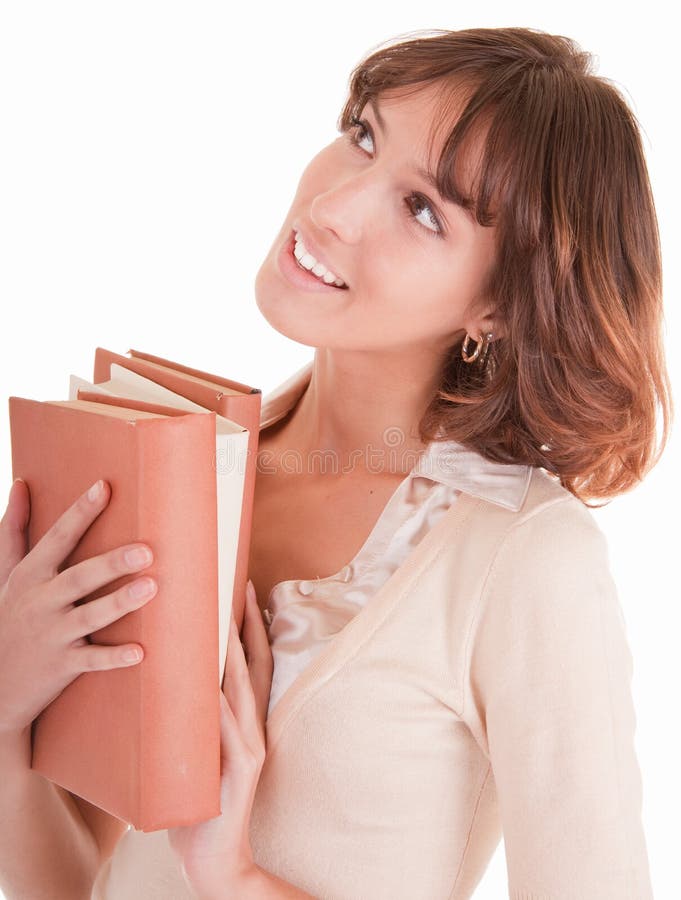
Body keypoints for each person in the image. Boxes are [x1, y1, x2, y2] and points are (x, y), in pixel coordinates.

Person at [0, 25, 671, 900]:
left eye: (423, 208)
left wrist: (232, 877)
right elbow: (73, 879)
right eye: (361, 133)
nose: (334, 207)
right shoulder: (184, 469)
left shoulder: (519, 558)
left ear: (500, 307)